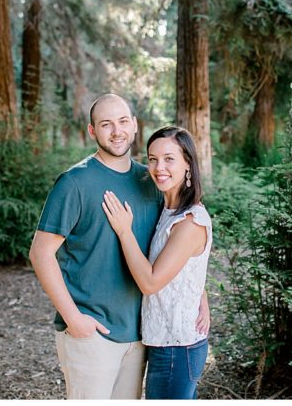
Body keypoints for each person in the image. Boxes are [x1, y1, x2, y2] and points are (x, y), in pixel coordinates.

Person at [28, 94, 208, 400]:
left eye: (123, 121)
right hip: (92, 332)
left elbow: (173, 244)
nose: (116, 131)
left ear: (135, 125)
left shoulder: (150, 180)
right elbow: (40, 253)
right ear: (92, 131)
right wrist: (74, 319)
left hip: (140, 334)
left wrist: (198, 294)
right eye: (106, 124)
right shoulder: (74, 183)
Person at [102, 125, 213, 399]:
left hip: (177, 347)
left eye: (169, 159)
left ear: (188, 164)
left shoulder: (189, 222)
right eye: (152, 158)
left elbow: (151, 282)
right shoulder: (169, 210)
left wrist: (124, 231)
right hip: (166, 342)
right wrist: (202, 295)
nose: (158, 167)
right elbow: (190, 268)